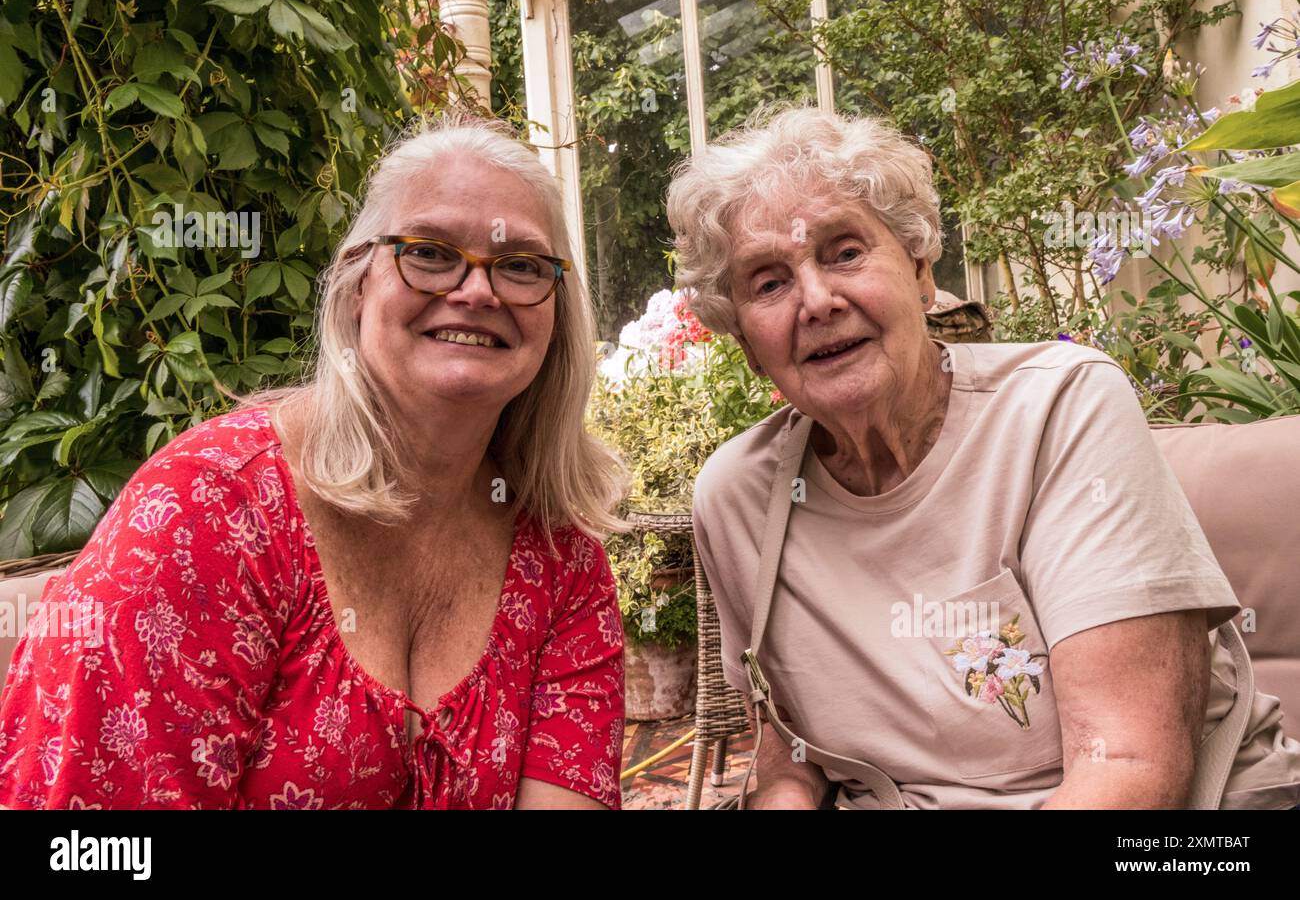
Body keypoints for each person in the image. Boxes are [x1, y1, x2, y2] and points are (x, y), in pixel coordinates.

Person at [667, 105, 1300, 809]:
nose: (816, 301)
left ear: (919, 271)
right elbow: (791, 764)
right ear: (748, 344)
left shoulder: (1058, 409)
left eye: (845, 252)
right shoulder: (738, 497)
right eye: (769, 282)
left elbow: (1129, 770)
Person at [0, 113, 628, 809]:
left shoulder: (561, 561)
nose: (477, 291)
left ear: (556, 313)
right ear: (359, 286)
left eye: (520, 266)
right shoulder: (206, 513)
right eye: (429, 251)